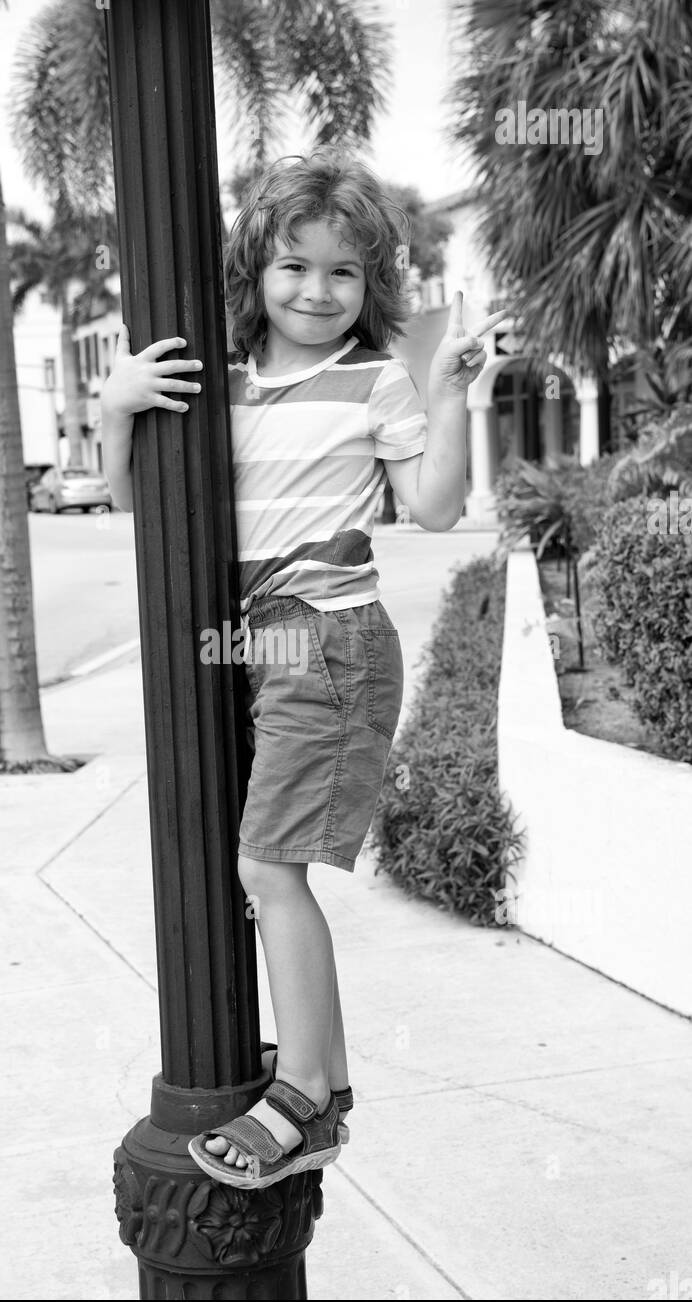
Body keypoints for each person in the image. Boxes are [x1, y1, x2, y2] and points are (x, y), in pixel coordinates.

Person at [101, 148, 506, 1190]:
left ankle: (311, 1096)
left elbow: (435, 509)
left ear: (371, 286)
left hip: (326, 640)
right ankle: (316, 1070)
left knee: (266, 872)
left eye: (342, 273)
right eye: (294, 267)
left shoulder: (374, 381)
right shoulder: (220, 386)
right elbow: (141, 508)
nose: (317, 292)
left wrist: (456, 394)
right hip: (249, 645)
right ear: (256, 271)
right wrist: (116, 408)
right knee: (257, 869)